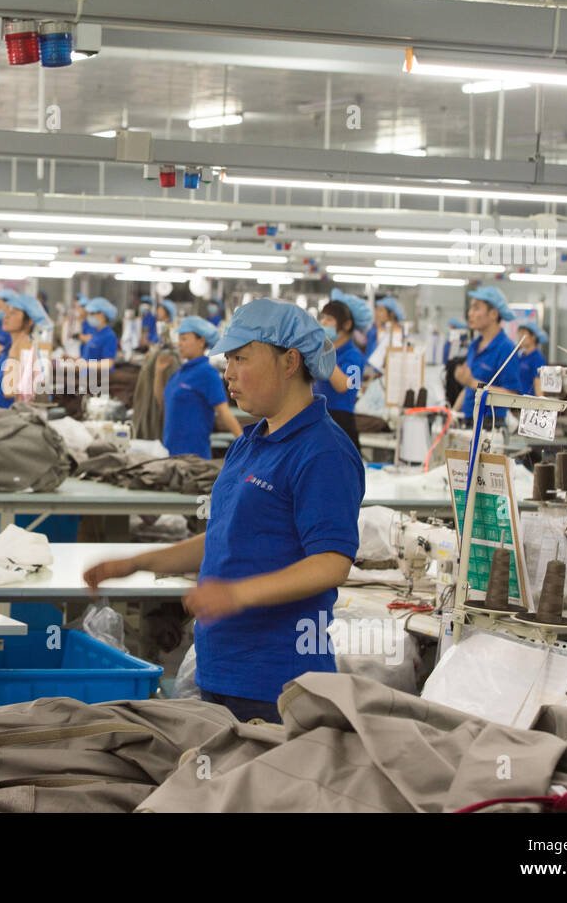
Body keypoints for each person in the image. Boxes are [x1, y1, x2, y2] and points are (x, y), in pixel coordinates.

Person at [85, 298, 364, 723]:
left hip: (278, 683)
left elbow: (330, 563)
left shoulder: (323, 452)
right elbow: (224, 533)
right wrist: (137, 563)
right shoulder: (249, 442)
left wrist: (235, 594)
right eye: (228, 360)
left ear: (289, 362)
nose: (228, 374)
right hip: (221, 668)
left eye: (241, 359)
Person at [157, 316, 243, 458]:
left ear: (201, 341)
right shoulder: (180, 372)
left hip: (194, 458)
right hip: (170, 453)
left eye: (184, 339)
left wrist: (244, 445)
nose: (179, 343)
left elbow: (224, 412)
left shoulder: (207, 373)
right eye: (179, 339)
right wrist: (159, 373)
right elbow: (163, 402)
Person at [455, 286, 522, 426]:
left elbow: (512, 395)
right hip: (468, 420)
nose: (470, 313)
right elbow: (468, 387)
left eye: (476, 308)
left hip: (491, 425)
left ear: (493, 314)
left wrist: (472, 382)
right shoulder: (474, 345)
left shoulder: (506, 348)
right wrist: (453, 414)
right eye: (471, 308)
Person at [313, 290, 372, 450]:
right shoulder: (322, 352)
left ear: (346, 325)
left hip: (340, 423)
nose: (323, 323)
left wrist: (325, 351)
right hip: (318, 418)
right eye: (322, 317)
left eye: (330, 319)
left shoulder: (354, 356)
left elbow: (343, 386)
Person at [0, 293, 50, 409]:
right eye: (6, 312)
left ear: (29, 321)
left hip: (15, 422)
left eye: (13, 313)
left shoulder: (30, 353)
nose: (6, 317)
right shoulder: (8, 350)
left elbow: (9, 390)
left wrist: (13, 354)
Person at [80, 297, 119, 373]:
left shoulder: (109, 336)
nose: (89, 316)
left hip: (98, 379)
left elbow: (108, 363)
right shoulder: (94, 333)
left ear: (101, 315)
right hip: (86, 376)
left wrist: (86, 364)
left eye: (91, 314)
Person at [366, 296, 404, 364]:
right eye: (376, 310)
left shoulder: (401, 331)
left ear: (392, 313)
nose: (376, 313)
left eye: (380, 310)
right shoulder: (374, 329)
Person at [516, 320, 549, 396]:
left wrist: (540, 405)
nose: (520, 336)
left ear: (533, 337)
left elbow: (538, 385)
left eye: (523, 333)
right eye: (519, 333)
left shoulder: (538, 359)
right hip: (517, 401)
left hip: (528, 404)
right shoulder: (521, 356)